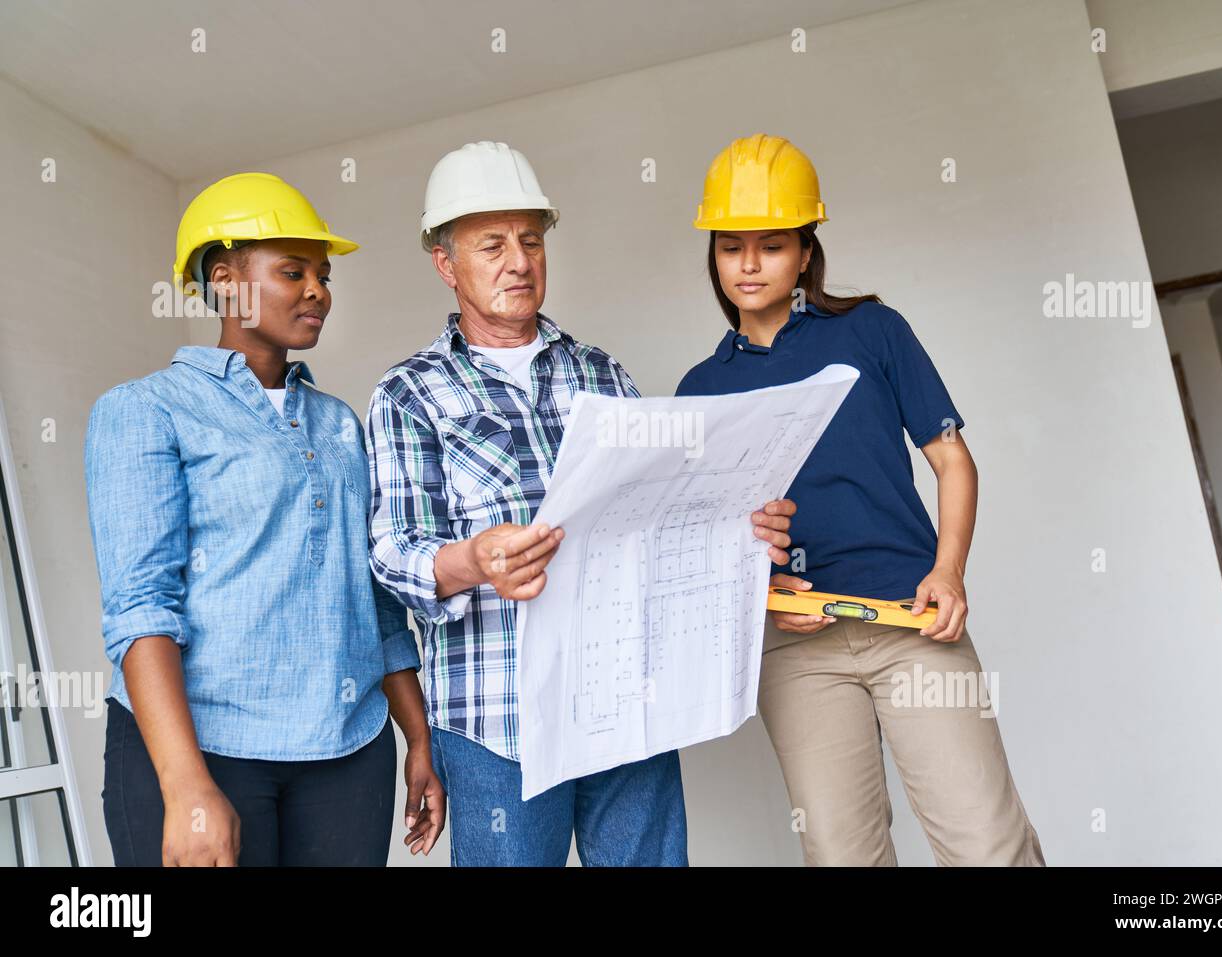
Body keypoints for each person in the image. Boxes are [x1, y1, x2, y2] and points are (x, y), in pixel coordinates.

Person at [366, 141, 796, 866]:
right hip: (496, 722)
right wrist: (473, 559)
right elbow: (391, 552)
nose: (519, 261)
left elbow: (657, 523)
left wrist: (740, 529)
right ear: (447, 264)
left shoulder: (601, 372)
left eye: (531, 241)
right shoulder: (409, 393)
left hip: (624, 700)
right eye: (492, 244)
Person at [675, 134, 1045, 866]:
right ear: (713, 256)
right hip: (792, 647)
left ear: (805, 252)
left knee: (987, 843)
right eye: (731, 247)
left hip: (912, 619)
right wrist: (761, 589)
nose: (748, 265)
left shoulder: (872, 331)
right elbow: (697, 545)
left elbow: (953, 460)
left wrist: (949, 571)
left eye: (771, 244)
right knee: (843, 854)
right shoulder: (699, 391)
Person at [85, 173, 438, 866]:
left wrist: (419, 735)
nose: (318, 290)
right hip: (204, 748)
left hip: (347, 749)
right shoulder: (145, 409)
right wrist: (187, 784)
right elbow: (140, 608)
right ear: (226, 281)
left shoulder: (340, 423)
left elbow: (375, 600)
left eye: (323, 274)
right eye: (292, 271)